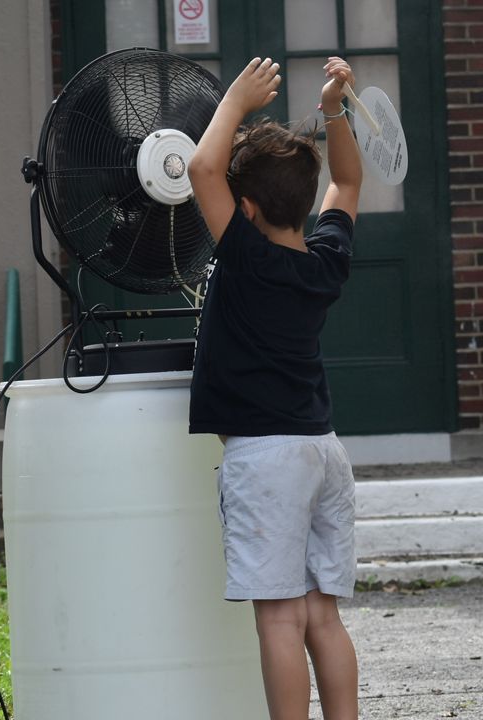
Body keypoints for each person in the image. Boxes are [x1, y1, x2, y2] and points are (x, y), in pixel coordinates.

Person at [187, 56, 363, 720]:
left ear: (248, 208)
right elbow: (346, 178)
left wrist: (234, 100)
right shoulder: (324, 263)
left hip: (266, 460)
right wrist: (334, 108)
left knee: (281, 620)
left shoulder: (246, 256)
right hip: (323, 452)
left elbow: (203, 170)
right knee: (323, 615)